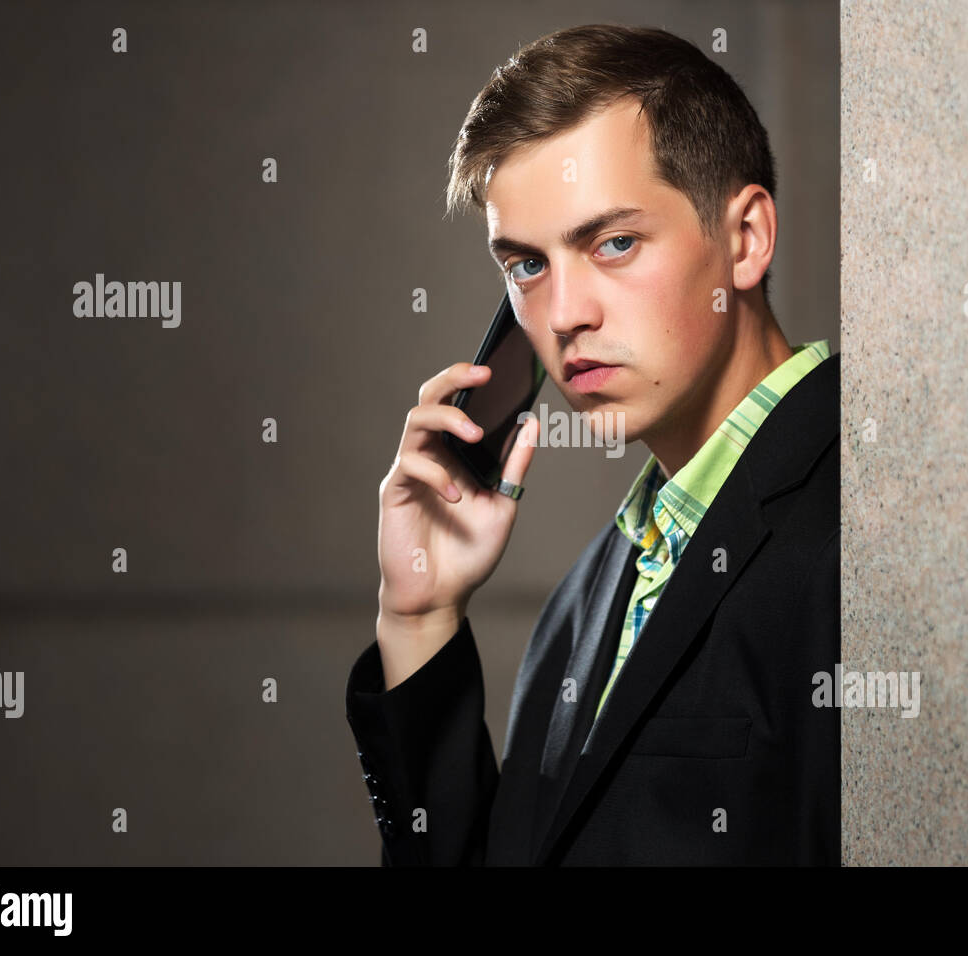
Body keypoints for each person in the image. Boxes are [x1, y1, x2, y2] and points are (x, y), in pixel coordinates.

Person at [346, 23, 839, 865]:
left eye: (612, 243)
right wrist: (420, 615)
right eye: (527, 267)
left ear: (746, 239)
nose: (565, 314)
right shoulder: (582, 604)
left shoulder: (877, 522)